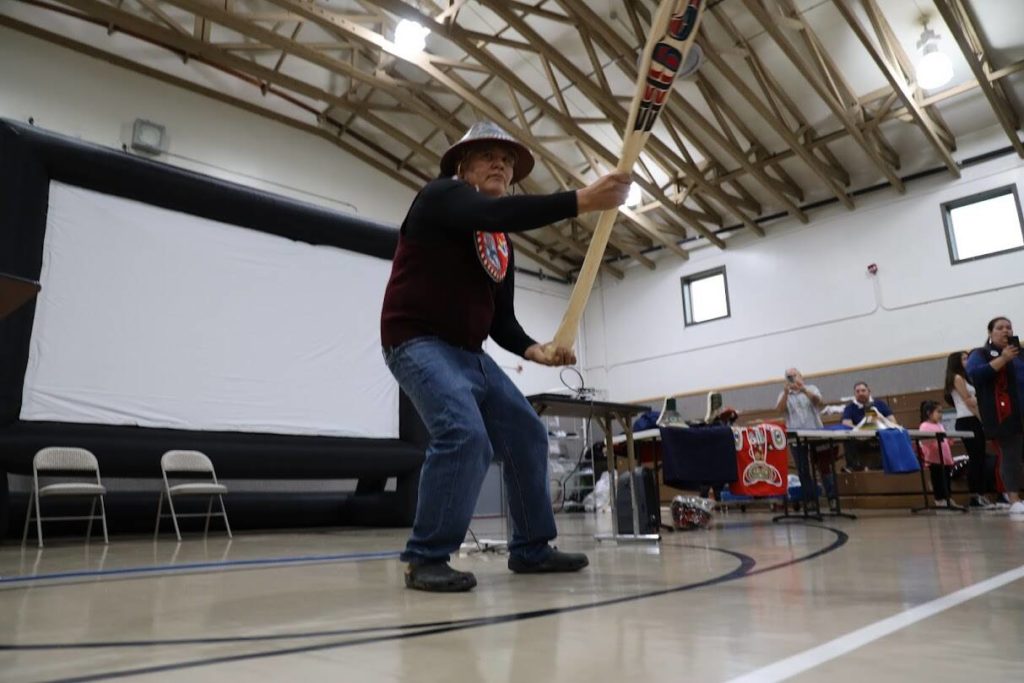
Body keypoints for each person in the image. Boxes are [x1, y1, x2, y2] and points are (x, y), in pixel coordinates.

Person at [380, 121, 631, 591]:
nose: (500, 163)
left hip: (468, 353)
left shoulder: (497, 243)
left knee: (528, 435)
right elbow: (497, 213)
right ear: (462, 166)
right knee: (464, 434)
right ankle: (426, 557)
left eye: (507, 160)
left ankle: (532, 548)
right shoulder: (440, 196)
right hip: (416, 341)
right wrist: (582, 200)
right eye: (487, 155)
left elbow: (502, 322)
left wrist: (536, 349)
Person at [966, 316, 1024, 517]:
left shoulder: (1020, 353)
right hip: (1003, 414)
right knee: (1011, 456)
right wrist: (1003, 359)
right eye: (1000, 328)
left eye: (1009, 327)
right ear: (990, 333)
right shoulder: (980, 354)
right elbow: (975, 375)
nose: (1005, 330)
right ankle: (1014, 499)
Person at [775, 368, 834, 509]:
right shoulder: (784, 394)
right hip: (796, 437)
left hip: (816, 433)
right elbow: (780, 410)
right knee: (802, 469)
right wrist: (786, 393)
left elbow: (818, 401)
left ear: (801, 376)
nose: (792, 379)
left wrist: (803, 390)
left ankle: (832, 498)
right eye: (789, 377)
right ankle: (810, 500)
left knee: (824, 466)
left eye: (794, 376)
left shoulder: (811, 388)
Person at [944, 351, 991, 508]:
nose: (967, 361)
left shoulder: (965, 377)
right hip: (967, 419)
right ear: (956, 362)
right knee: (976, 458)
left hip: (972, 418)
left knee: (980, 457)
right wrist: (982, 419)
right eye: (964, 359)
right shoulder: (957, 378)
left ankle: (981, 494)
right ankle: (975, 496)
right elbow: (968, 401)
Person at [917, 400, 964, 510]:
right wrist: (935, 442)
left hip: (945, 458)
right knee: (938, 480)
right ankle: (939, 500)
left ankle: (948, 498)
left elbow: (944, 440)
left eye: (941, 412)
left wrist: (949, 440)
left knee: (946, 479)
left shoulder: (940, 425)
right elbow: (924, 442)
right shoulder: (924, 426)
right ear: (929, 413)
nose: (941, 415)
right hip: (935, 460)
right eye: (938, 412)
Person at [841, 381, 897, 470]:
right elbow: (846, 423)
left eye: (863, 390)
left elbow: (892, 421)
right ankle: (853, 467)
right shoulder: (850, 407)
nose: (860, 393)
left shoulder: (879, 404)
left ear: (869, 391)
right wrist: (860, 430)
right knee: (848, 439)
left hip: (879, 434)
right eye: (857, 391)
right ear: (854, 394)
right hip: (860, 437)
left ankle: (888, 465)